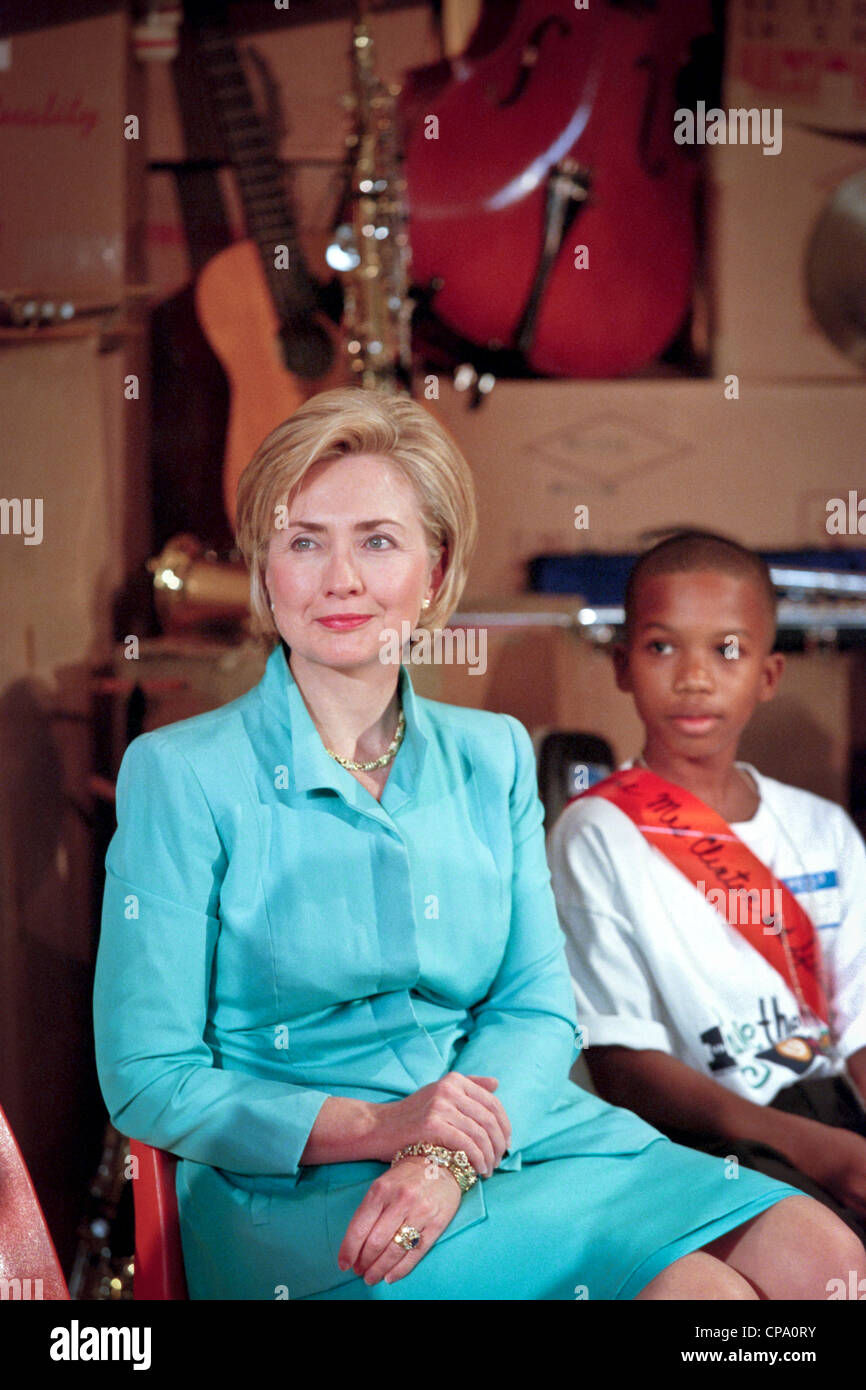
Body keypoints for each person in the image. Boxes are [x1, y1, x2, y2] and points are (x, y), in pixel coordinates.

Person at [93, 399, 863, 1300]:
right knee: (704, 1301)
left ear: (436, 568)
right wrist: (383, 1131)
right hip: (306, 1185)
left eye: (378, 541)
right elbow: (149, 1078)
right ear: (266, 569)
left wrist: (445, 1153)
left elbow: (539, 1012)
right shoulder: (180, 773)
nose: (341, 578)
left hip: (520, 1134)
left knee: (831, 1263)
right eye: (304, 541)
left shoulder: (492, 752)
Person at [548, 529, 866, 1253]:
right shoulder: (597, 833)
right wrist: (820, 1152)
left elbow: (858, 1026)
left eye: (726, 650)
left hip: (838, 1113)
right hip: (707, 1138)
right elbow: (623, 1066)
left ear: (769, 672)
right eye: (663, 647)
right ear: (622, 664)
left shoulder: (822, 829)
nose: (694, 677)